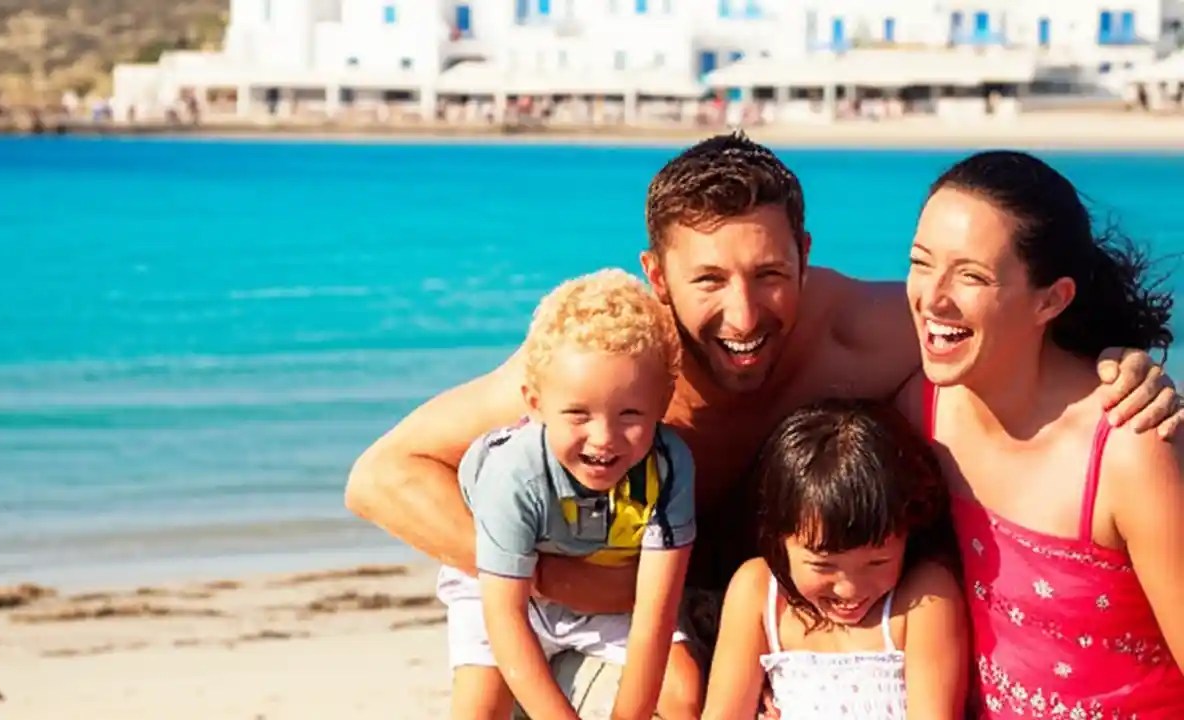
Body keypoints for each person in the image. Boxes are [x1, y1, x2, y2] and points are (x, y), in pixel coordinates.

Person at [347, 134, 1182, 699]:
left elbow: (1001, 323)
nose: (744, 316)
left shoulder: (870, 333)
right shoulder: (622, 363)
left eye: (770, 274)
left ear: (806, 256)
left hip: (798, 602)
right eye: (708, 281)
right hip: (613, 597)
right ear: (657, 275)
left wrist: (1118, 363)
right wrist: (568, 583)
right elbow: (381, 476)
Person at [898, 150, 1184, 716]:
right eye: (921, 262)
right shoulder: (923, 410)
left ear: (1051, 299)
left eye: (972, 275)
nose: (933, 298)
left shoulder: (1127, 446)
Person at [438, 269, 700, 720]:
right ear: (535, 404)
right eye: (578, 414)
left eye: (630, 414)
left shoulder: (669, 467)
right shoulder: (512, 475)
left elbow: (654, 614)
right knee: (478, 710)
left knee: (685, 695)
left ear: (663, 400)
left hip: (601, 592)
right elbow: (505, 618)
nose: (604, 438)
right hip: (504, 588)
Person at [702, 399, 966, 719]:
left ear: (908, 535)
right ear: (778, 538)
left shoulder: (924, 598)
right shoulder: (759, 592)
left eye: (877, 562)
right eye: (823, 565)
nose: (849, 590)